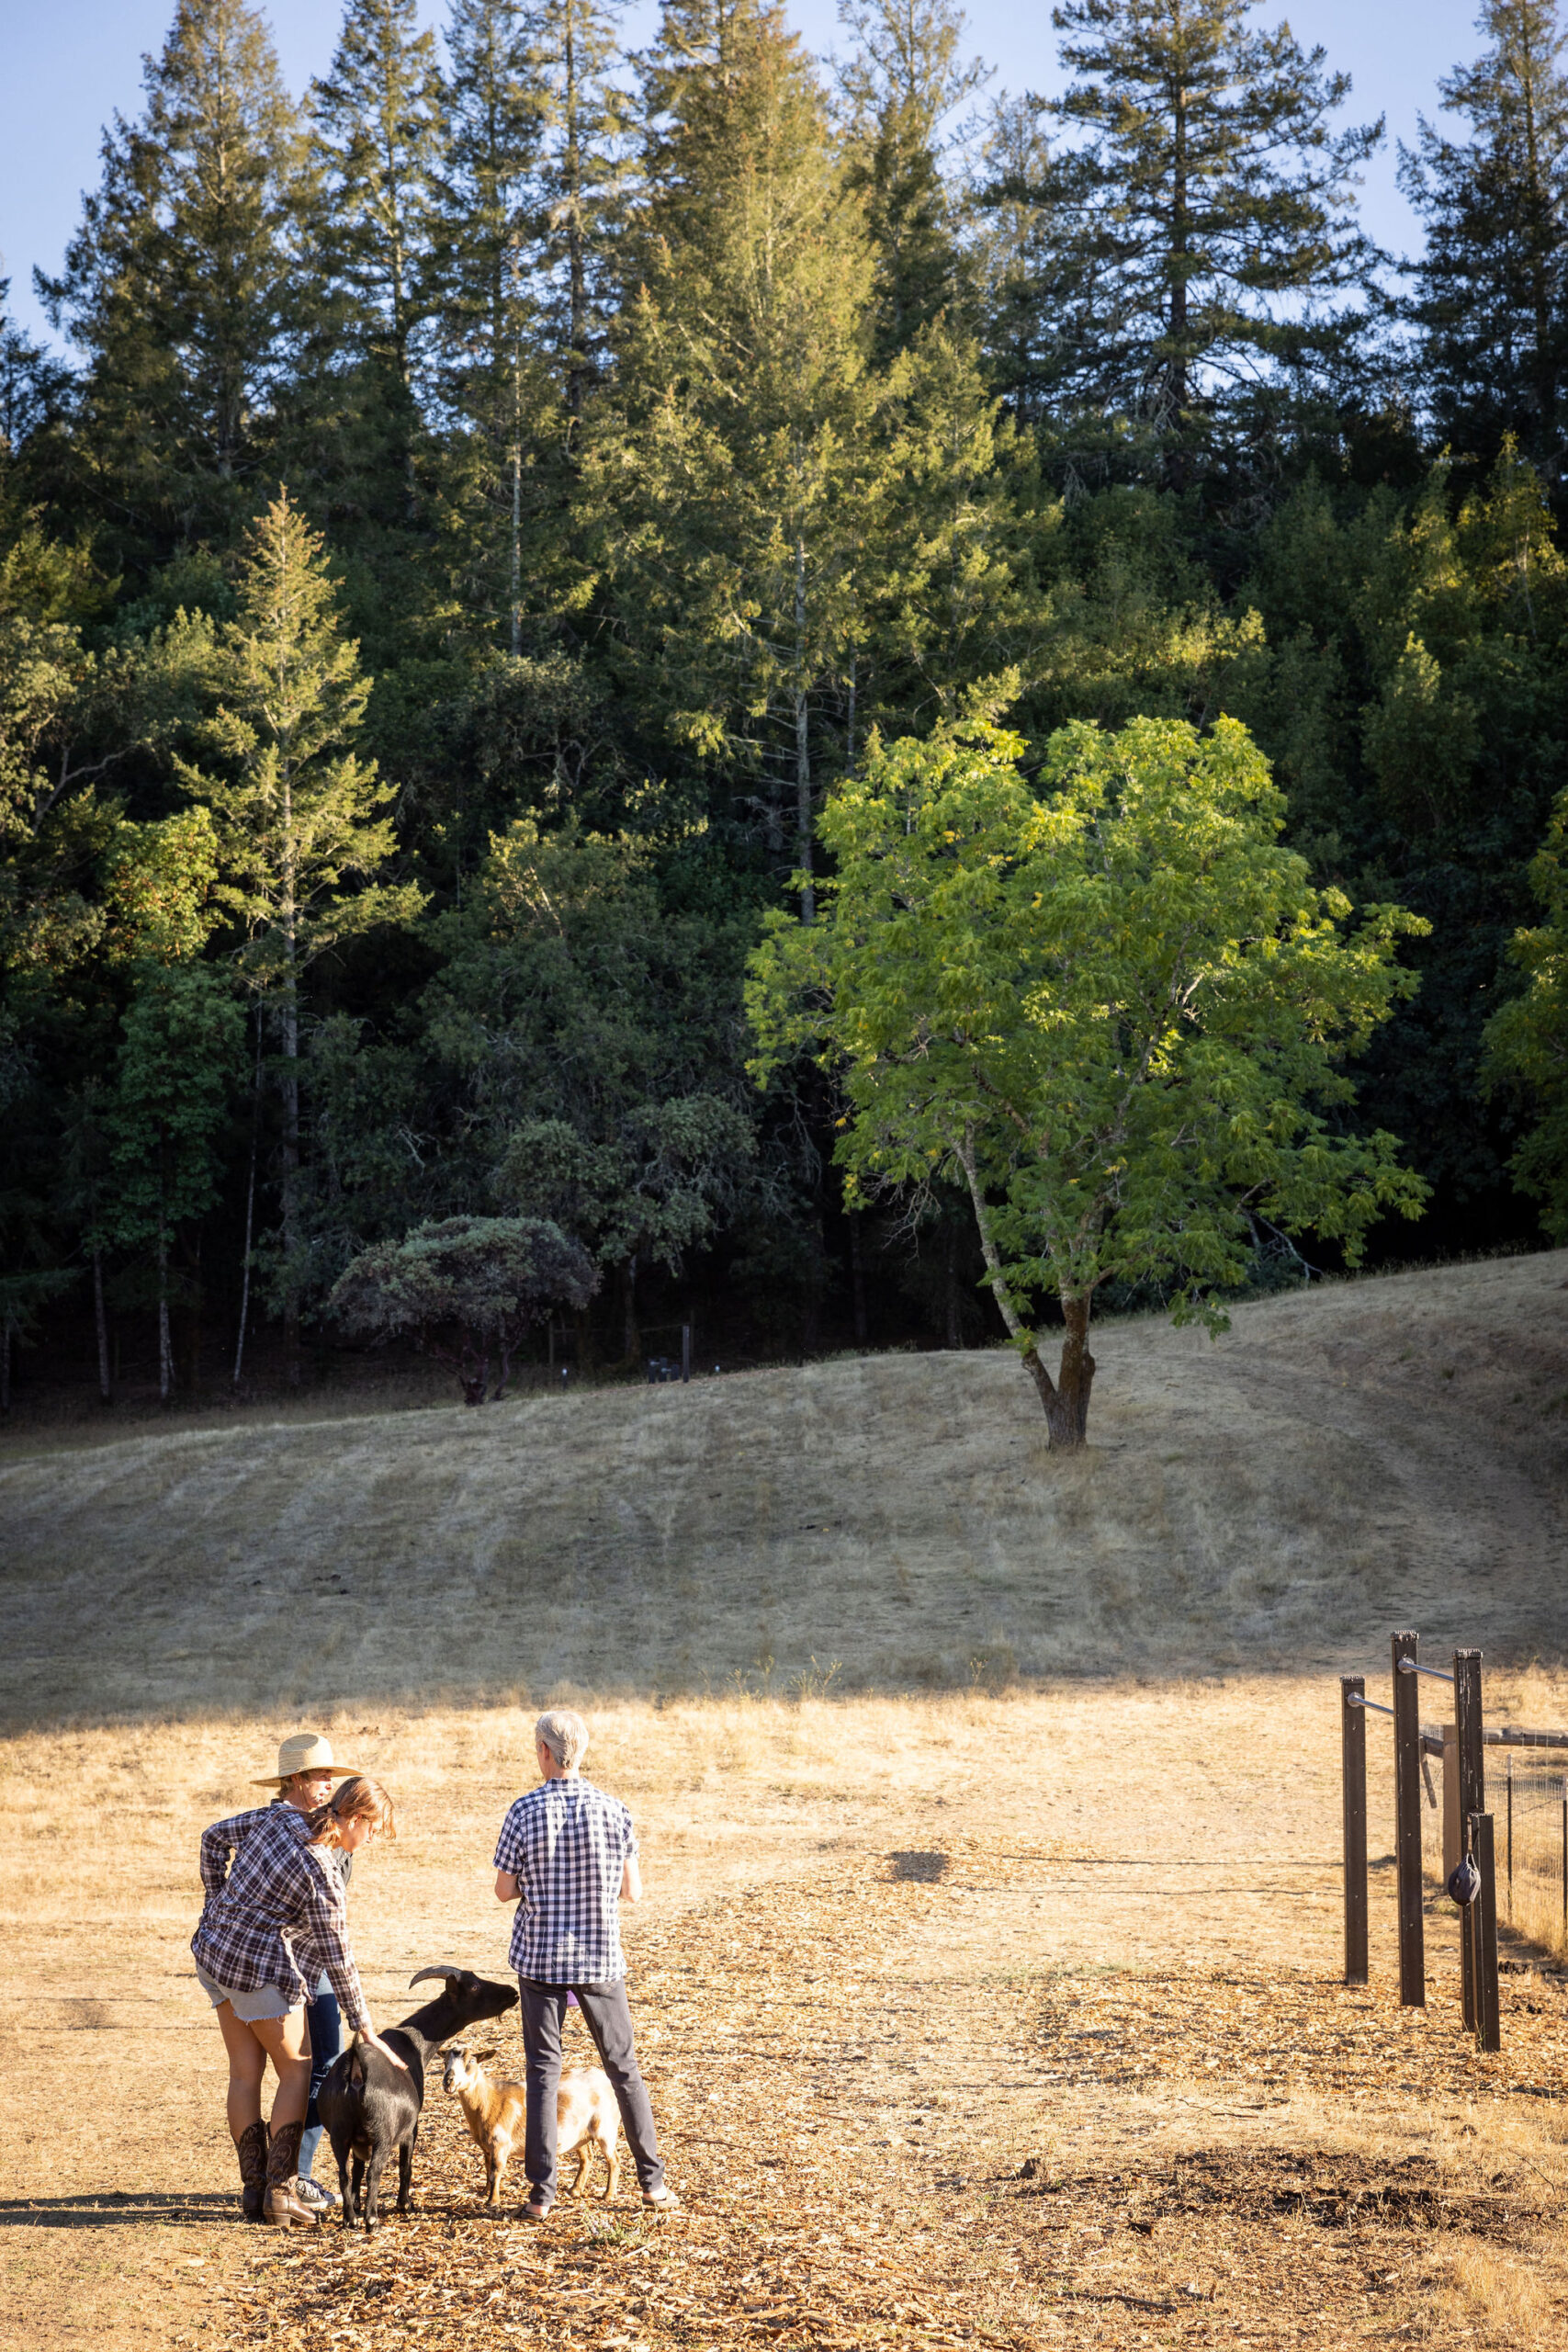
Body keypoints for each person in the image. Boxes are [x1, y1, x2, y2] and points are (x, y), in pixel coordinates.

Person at [193, 1770, 406, 2226]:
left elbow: (213, 1838)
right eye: (373, 1831)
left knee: (244, 2074)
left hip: (213, 1955)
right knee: (297, 2070)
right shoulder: (322, 1869)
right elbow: (339, 1955)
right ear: (353, 1817)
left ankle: (253, 2192)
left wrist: (216, 1905)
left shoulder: (281, 1818)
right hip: (257, 1971)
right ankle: (280, 2193)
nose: (370, 1842)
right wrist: (365, 2025)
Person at [493, 1708, 678, 2222]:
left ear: (545, 1753)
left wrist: (538, 1888)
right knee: (623, 2068)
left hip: (541, 1959)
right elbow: (633, 1892)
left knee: (542, 2072)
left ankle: (541, 2194)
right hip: (599, 1957)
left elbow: (503, 1888)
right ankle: (652, 2184)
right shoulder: (615, 1810)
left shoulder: (523, 1811)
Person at [257, 1732, 356, 2215]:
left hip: (297, 1963)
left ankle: (280, 2179)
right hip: (299, 1967)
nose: (325, 1785)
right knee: (316, 2066)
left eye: (329, 1778)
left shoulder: (308, 1829)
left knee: (304, 2067)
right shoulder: (308, 1835)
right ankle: (293, 2176)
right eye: (319, 1776)